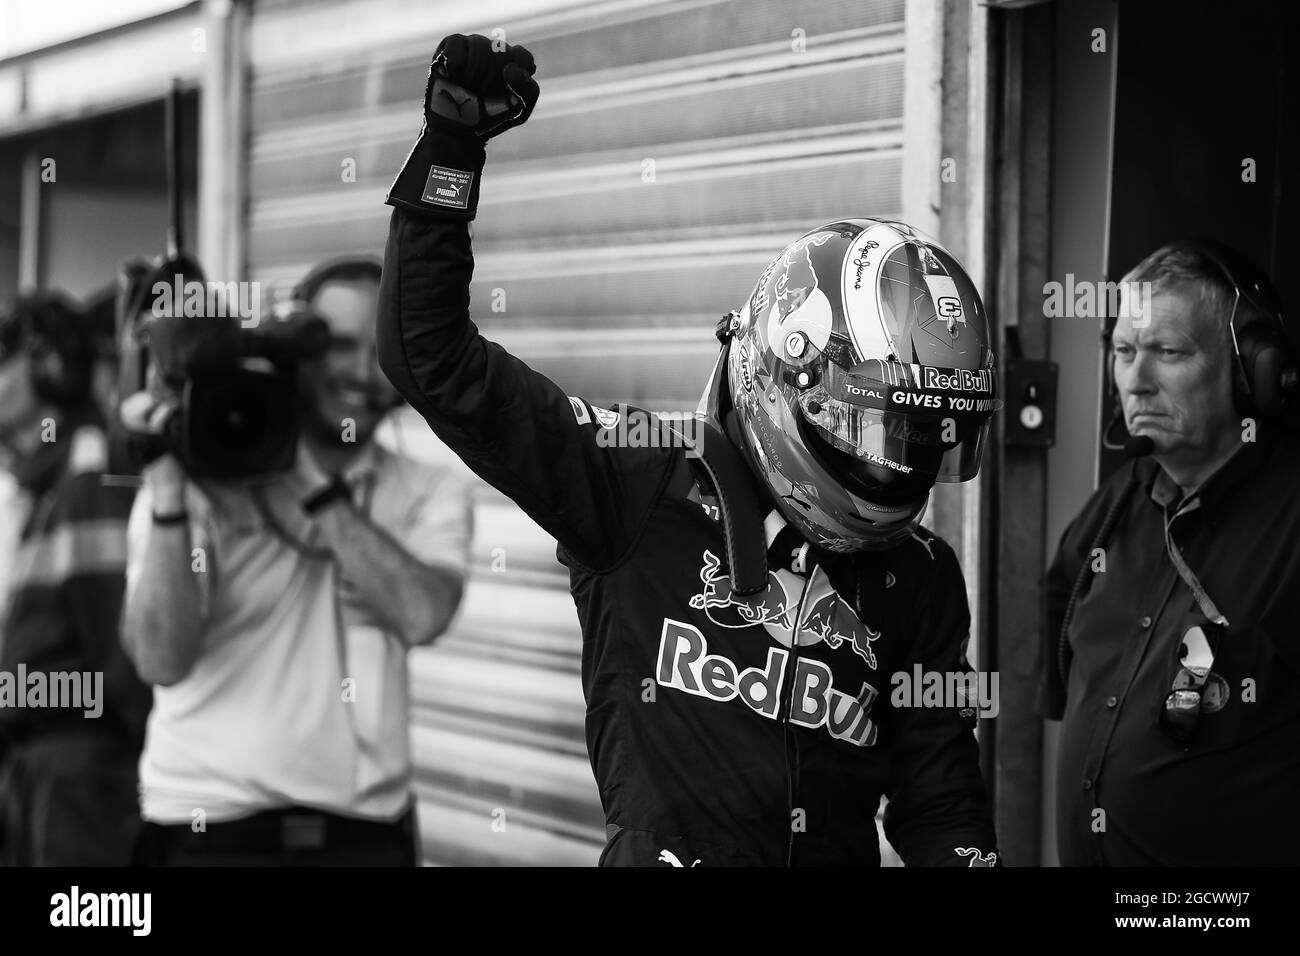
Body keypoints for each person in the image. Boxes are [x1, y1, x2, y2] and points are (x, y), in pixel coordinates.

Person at [376, 34, 1001, 866]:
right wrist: (451, 154)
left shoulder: (921, 577)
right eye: (876, 429)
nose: (897, 464)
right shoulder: (635, 478)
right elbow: (434, 360)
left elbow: (943, 803)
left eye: (922, 438)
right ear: (787, 372)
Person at [121, 256, 472, 866]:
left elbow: (422, 615)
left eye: (382, 348)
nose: (364, 373)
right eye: (338, 345)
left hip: (366, 833)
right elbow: (160, 658)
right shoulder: (202, 472)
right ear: (292, 351)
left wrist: (308, 485)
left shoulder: (430, 489)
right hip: (207, 826)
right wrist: (169, 490)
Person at [1041, 240, 1300, 865]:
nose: (1136, 380)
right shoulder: (1106, 515)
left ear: (1252, 372)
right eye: (1125, 352)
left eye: (1168, 352)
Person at [0, 292, 150, 865]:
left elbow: (125, 658)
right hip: (43, 774)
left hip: (82, 785)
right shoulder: (44, 473)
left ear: (48, 365)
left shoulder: (88, 469)